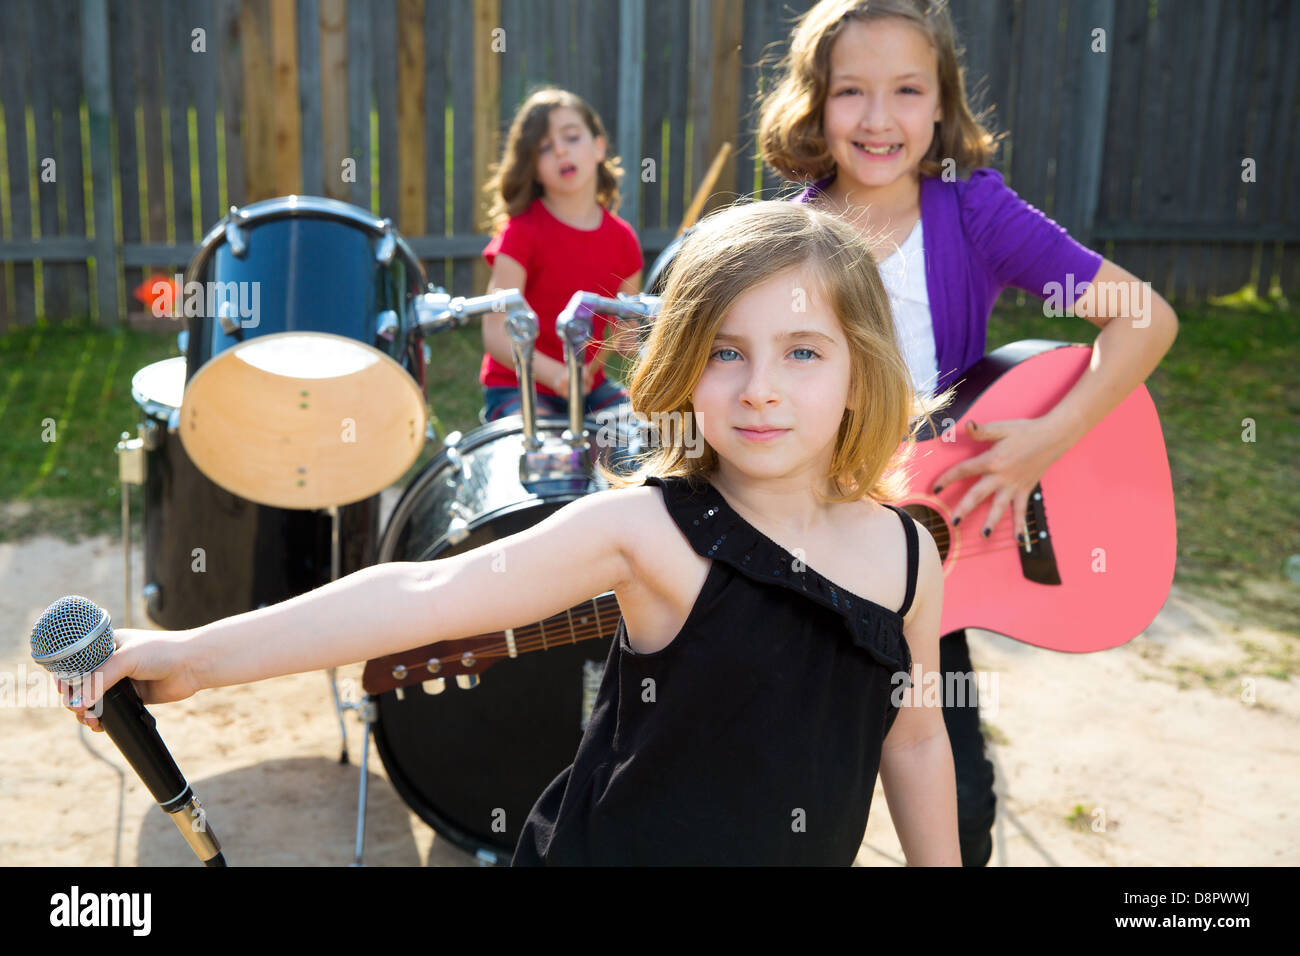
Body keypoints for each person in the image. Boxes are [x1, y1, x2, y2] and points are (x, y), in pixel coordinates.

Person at [64, 200, 961, 866]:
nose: (760, 385)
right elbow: (424, 592)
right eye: (726, 350)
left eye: (802, 350)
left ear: (861, 369)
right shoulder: (649, 531)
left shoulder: (908, 557)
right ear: (684, 368)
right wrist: (193, 653)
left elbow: (914, 741)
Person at [757, 0, 1180, 866]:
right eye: (851, 93)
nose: (879, 120)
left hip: (925, 557)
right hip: (808, 549)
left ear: (942, 103)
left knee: (957, 805)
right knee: (787, 794)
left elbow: (1146, 320)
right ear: (813, 103)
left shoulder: (973, 213)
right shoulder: (783, 241)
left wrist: (1044, 441)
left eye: (907, 90)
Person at [479, 87, 644, 423]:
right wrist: (556, 375)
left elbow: (625, 335)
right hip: (520, 384)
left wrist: (631, 336)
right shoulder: (521, 234)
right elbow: (496, 333)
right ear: (533, 168)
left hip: (588, 388)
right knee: (548, 455)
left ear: (598, 147)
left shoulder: (624, 240)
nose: (559, 151)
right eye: (544, 147)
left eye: (571, 137)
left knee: (643, 434)